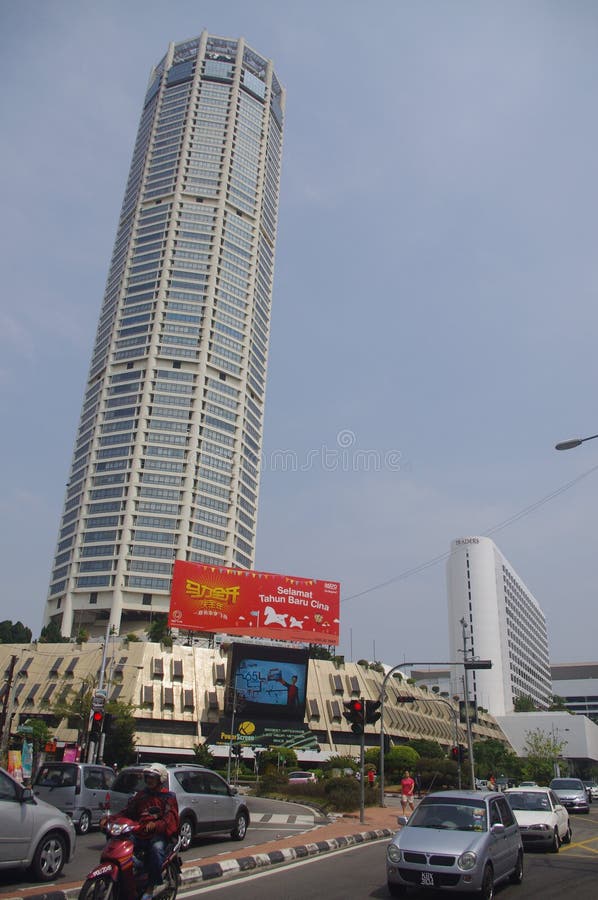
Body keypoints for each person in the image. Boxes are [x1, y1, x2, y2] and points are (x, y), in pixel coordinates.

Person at [104, 763, 179, 900]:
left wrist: (156, 825)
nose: (149, 780)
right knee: (121, 846)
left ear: (160, 779)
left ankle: (150, 887)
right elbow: (128, 811)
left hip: (158, 835)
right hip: (140, 833)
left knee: (156, 850)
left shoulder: (168, 797)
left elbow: (170, 819)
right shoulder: (141, 795)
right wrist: (110, 820)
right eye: (147, 777)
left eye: (152, 777)